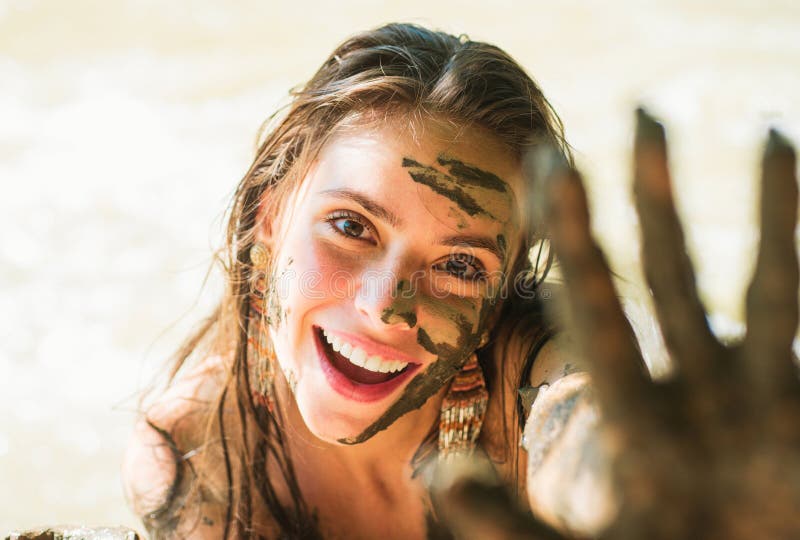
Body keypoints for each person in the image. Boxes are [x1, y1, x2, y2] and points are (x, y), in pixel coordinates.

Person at [122, 22, 800, 540]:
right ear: (270, 218)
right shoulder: (193, 456)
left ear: (506, 290)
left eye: (459, 265)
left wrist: (646, 485)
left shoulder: (535, 374)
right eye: (352, 227)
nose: (386, 305)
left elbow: (583, 431)